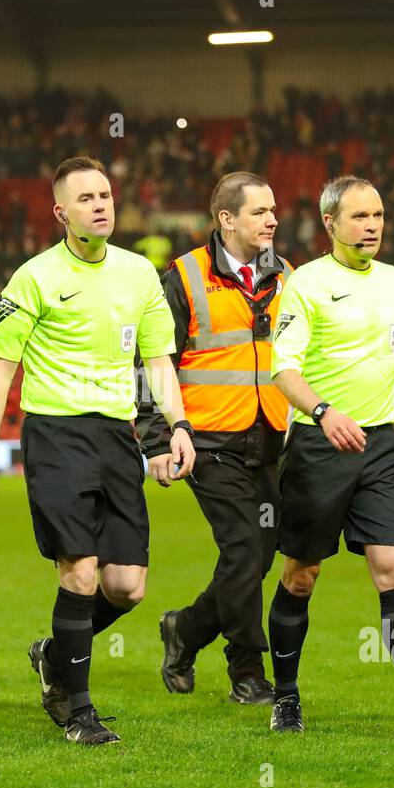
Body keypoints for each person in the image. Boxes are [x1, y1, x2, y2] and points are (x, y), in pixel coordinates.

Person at [0, 156, 196, 745]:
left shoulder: (141, 275)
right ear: (61, 212)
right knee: (82, 571)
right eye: (86, 198)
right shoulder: (32, 278)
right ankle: (79, 710)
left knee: (127, 586)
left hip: (116, 437)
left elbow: (158, 363)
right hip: (56, 436)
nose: (101, 204)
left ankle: (53, 655)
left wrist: (179, 426)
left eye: (107, 194)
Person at [266, 174, 394, 738]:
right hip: (319, 445)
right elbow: (282, 369)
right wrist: (323, 413)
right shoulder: (305, 284)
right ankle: (285, 696)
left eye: (378, 216)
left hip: (381, 445)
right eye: (359, 217)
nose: (372, 226)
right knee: (301, 575)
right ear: (330, 224)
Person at [137, 171, 293, 704]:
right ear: (226, 219)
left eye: (274, 210)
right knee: (245, 548)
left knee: (258, 554)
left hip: (269, 439)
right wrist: (157, 439)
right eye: (259, 211)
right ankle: (247, 673)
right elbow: (150, 363)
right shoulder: (182, 276)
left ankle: (187, 628)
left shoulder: (287, 276)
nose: (272, 219)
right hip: (206, 442)